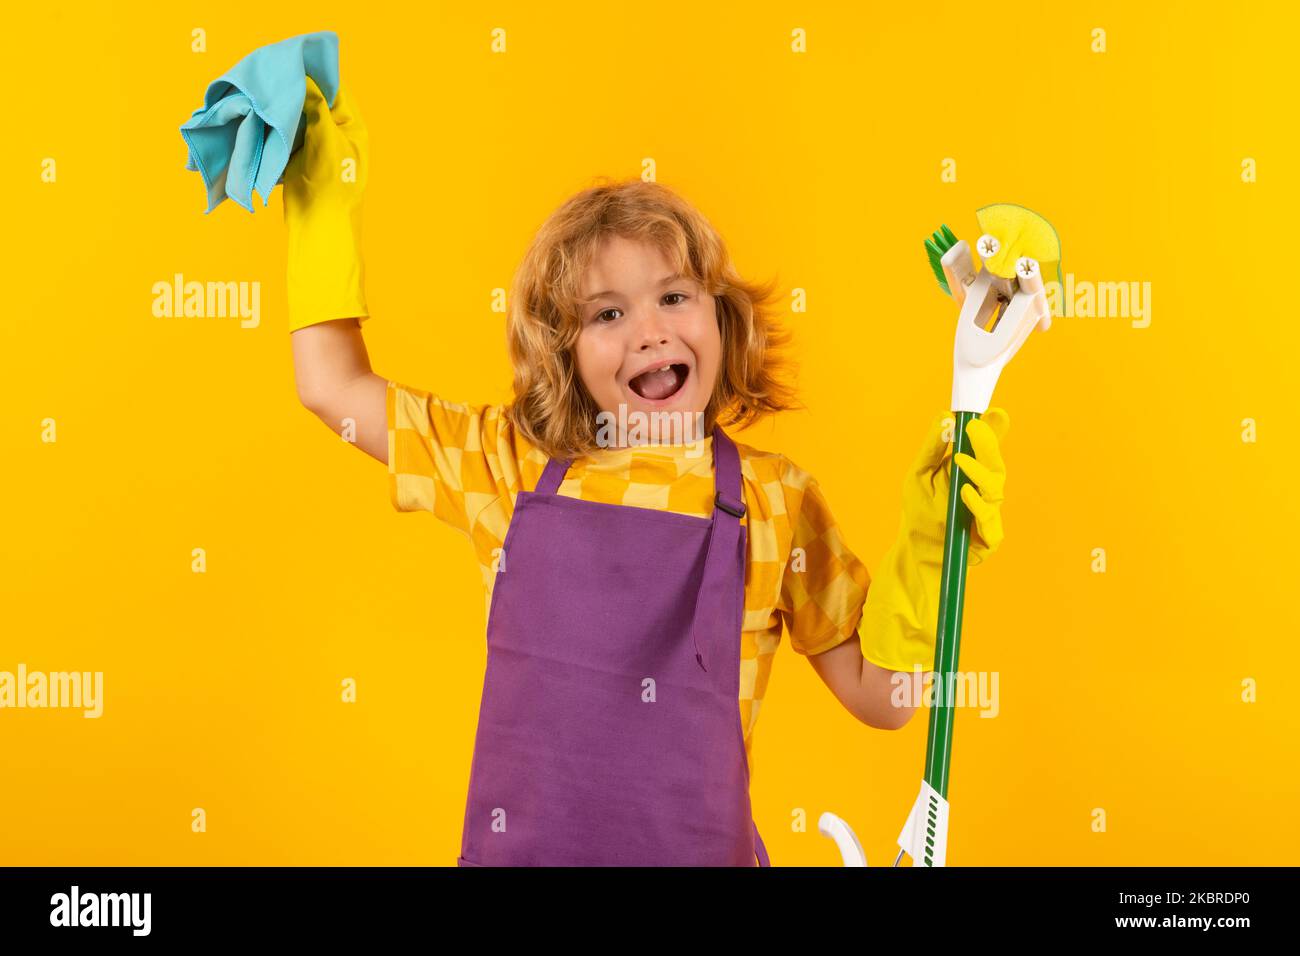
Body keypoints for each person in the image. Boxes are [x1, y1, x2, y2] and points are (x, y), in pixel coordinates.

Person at [284, 78, 1010, 866]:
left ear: (722, 318)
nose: (650, 332)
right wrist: (322, 200)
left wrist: (933, 548)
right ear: (563, 354)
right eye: (606, 313)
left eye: (673, 296)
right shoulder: (506, 464)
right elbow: (332, 387)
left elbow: (888, 699)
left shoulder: (777, 501)